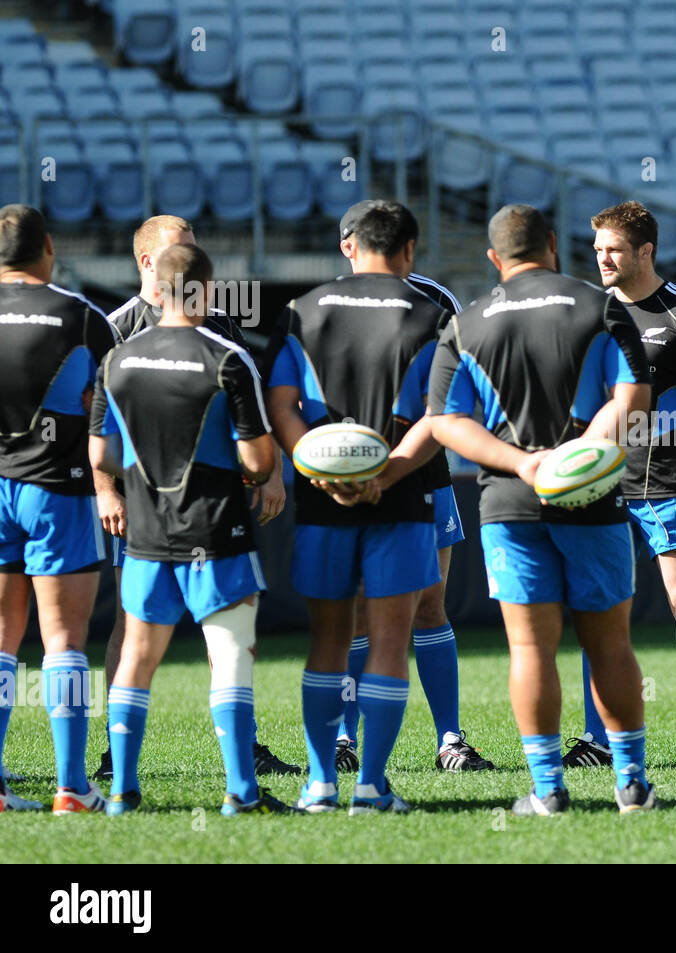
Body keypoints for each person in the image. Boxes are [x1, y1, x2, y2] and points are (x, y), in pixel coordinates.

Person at [381, 204, 655, 815]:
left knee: (531, 649)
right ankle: (632, 783)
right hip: (594, 497)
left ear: (493, 257)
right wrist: (587, 451)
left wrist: (524, 463)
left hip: (509, 504)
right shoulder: (600, 306)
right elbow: (634, 396)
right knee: (610, 642)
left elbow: (446, 422)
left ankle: (548, 790)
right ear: (554, 245)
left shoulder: (468, 323)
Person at [89, 243, 295, 815]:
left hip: (146, 539)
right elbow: (257, 463)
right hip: (217, 534)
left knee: (135, 658)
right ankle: (240, 793)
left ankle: (123, 792)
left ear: (158, 286)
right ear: (206, 289)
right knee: (230, 656)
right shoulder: (226, 358)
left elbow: (99, 452)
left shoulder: (118, 360)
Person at [266, 201, 446, 814]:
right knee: (391, 641)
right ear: (409, 249)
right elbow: (441, 416)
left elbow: (281, 406)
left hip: (323, 505)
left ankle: (320, 784)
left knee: (328, 642)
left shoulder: (302, 310)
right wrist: (387, 472)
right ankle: (371, 786)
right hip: (402, 498)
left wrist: (318, 471)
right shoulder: (431, 314)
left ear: (351, 245)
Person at [560, 200, 676, 770]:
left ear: (646, 252)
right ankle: (597, 738)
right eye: (596, 250)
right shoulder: (587, 312)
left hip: (671, 484)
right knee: (599, 611)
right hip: (601, 487)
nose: (602, 259)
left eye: (612, 249)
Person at [329, 200, 493, 774]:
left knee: (429, 604)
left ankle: (450, 739)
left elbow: (453, 393)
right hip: (344, 483)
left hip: (423, 476)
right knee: (352, 610)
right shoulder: (321, 308)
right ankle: (344, 741)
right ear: (345, 246)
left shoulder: (436, 303)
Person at [0, 204, 116, 813]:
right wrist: (110, 483)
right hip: (59, 489)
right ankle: (71, 786)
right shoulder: (80, 316)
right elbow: (108, 412)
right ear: (48, 246)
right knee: (64, 640)